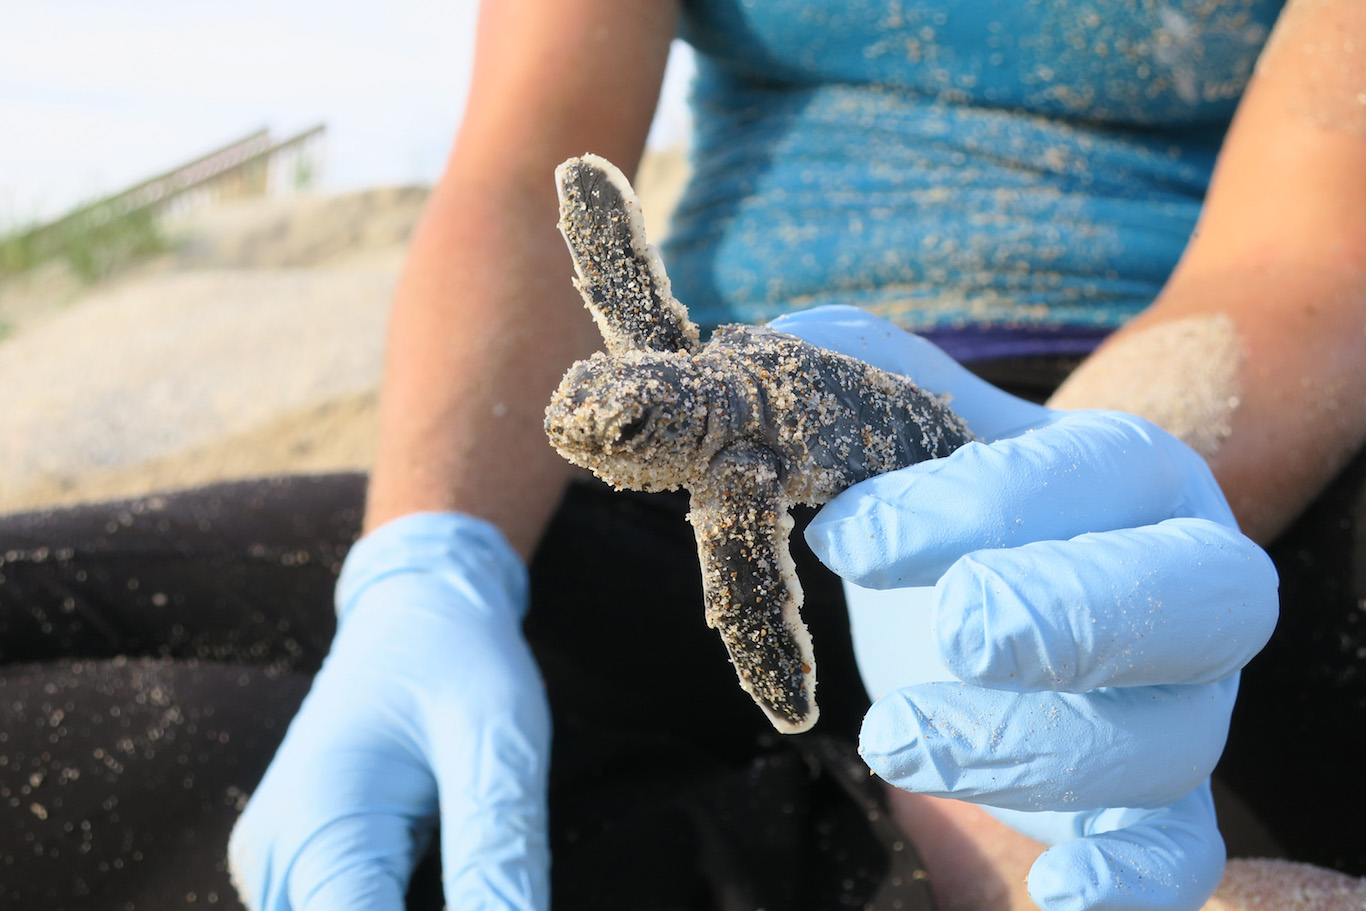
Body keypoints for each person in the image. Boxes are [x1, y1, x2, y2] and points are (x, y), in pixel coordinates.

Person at [2, 1, 1362, 909]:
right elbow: (535, 166)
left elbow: (1309, 248)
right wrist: (429, 560)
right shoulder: (675, 426)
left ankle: (929, 832)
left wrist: (1044, 597)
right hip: (718, 420)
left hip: (1140, 440)